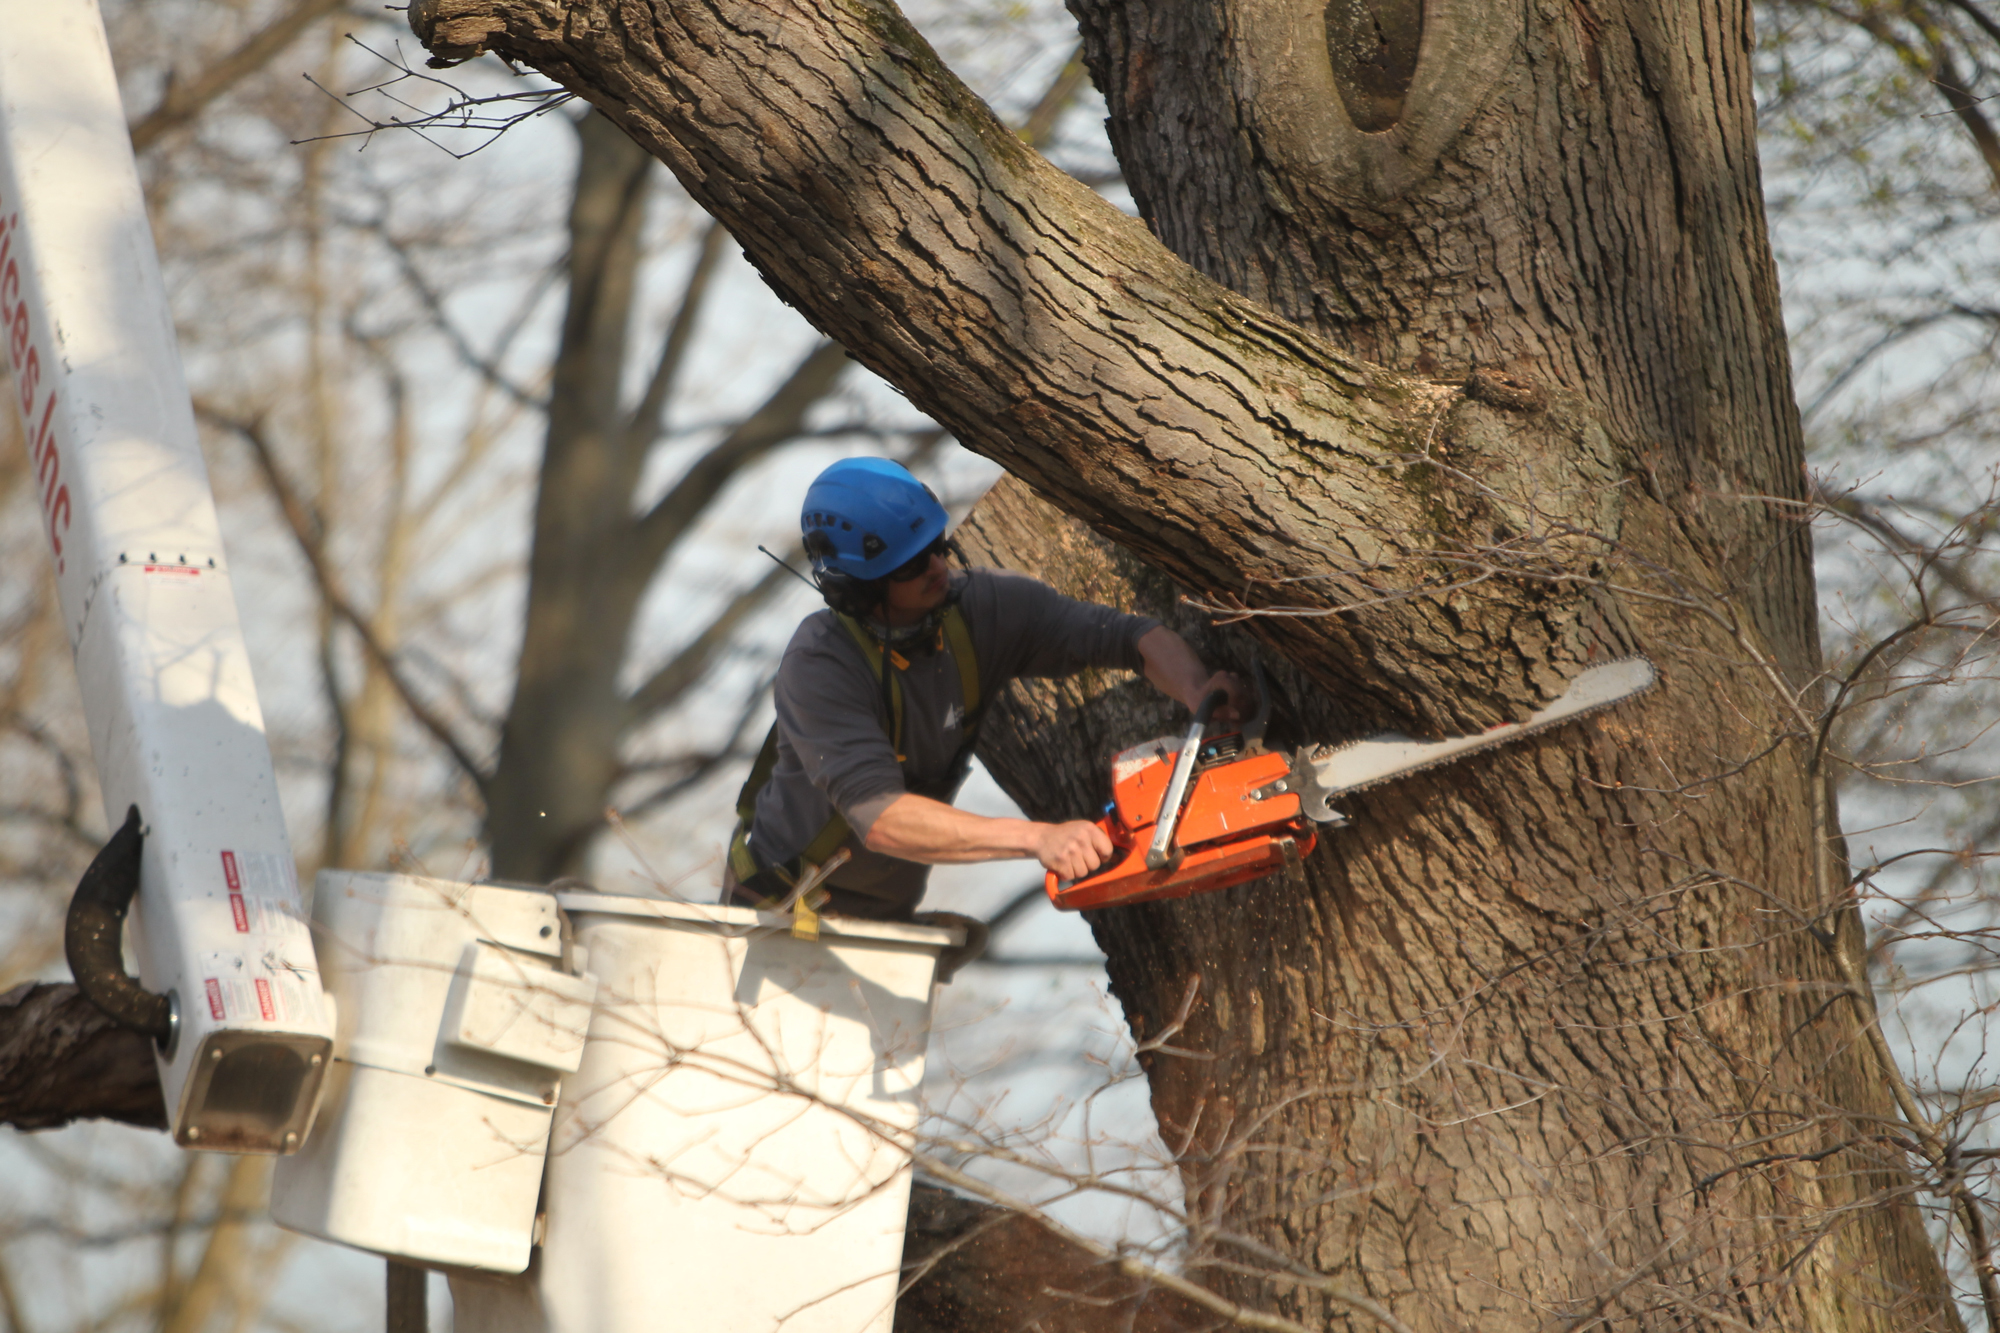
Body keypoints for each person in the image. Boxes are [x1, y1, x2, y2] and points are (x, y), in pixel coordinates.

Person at [725, 457, 1243, 923]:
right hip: (777, 912)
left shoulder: (982, 607)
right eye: (910, 564)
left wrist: (1196, 691)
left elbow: (1130, 637)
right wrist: (1039, 838)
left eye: (936, 547)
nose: (937, 568)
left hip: (879, 914)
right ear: (855, 588)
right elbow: (882, 818)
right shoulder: (821, 663)